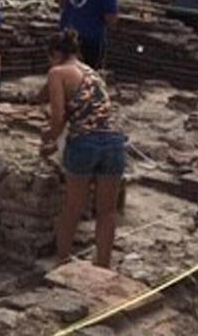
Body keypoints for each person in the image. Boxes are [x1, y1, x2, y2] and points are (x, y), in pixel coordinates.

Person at [37, 30, 125, 269]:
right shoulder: (91, 71)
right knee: (107, 210)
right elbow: (87, 110)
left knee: (73, 206)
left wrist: (47, 138)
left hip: (85, 143)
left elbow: (58, 117)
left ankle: (63, 260)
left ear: (55, 54)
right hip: (115, 142)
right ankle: (103, 265)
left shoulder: (57, 73)